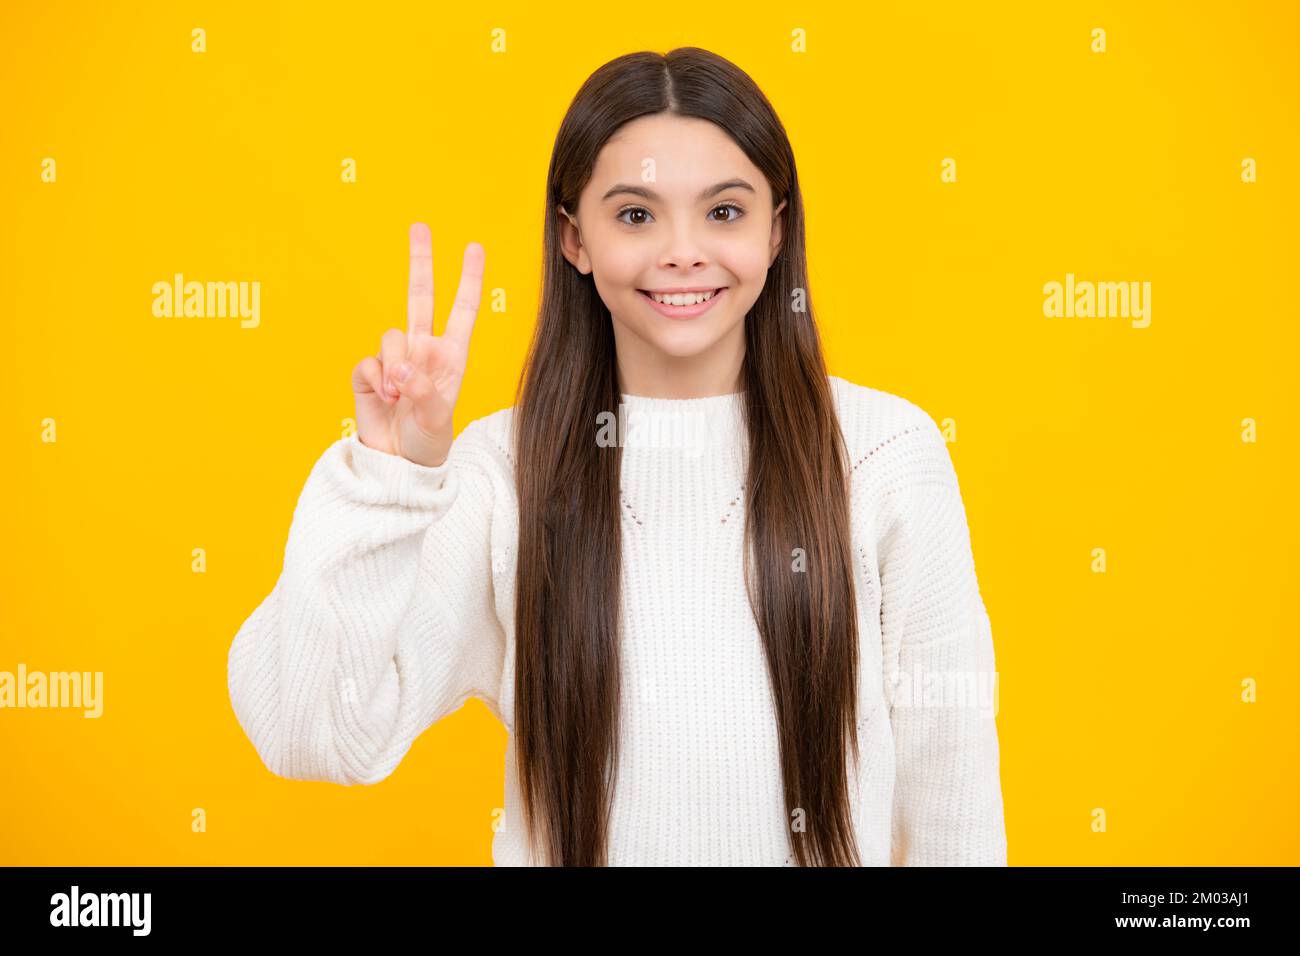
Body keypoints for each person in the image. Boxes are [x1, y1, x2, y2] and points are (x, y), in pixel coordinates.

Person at [227, 46, 1007, 867]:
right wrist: (388, 478)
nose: (681, 251)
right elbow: (312, 732)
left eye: (724, 212)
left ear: (777, 231)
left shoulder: (884, 456)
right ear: (575, 239)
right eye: (636, 215)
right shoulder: (502, 474)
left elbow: (951, 787)